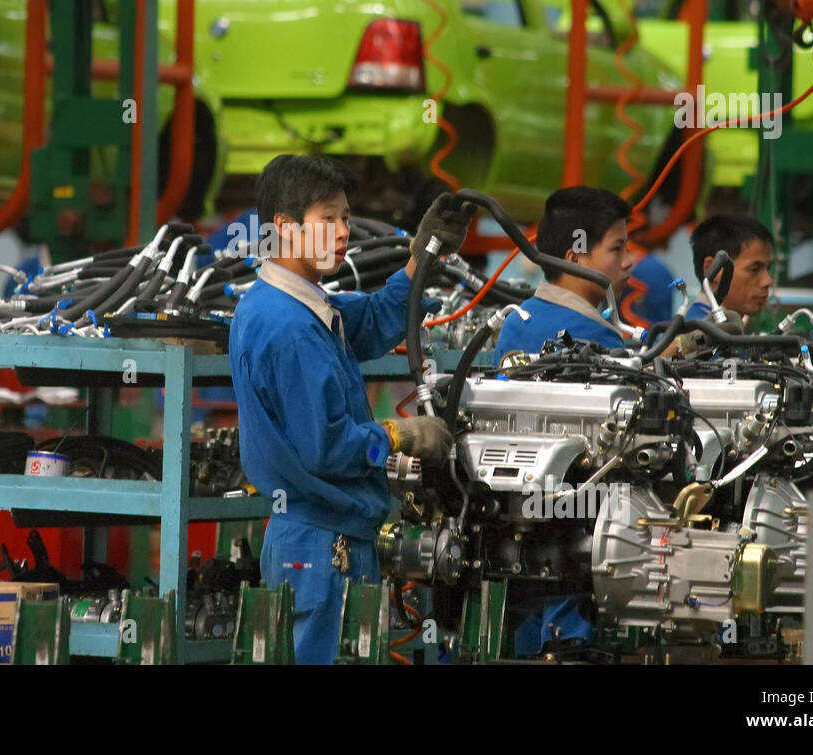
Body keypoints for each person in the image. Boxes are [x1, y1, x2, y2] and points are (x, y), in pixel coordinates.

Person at [229, 154, 468, 665]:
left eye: (345, 218)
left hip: (321, 543)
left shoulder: (298, 306)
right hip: (319, 549)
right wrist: (399, 435)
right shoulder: (291, 328)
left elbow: (380, 316)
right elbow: (326, 447)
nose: (343, 233)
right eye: (328, 219)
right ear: (285, 229)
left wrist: (421, 260)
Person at [494, 186, 635, 361]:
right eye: (617, 248)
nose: (628, 261)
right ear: (575, 259)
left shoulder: (514, 323)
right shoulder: (596, 337)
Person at [687, 214, 775, 321]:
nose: (768, 281)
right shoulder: (699, 334)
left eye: (768, 269)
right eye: (754, 269)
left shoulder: (722, 331)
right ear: (713, 269)